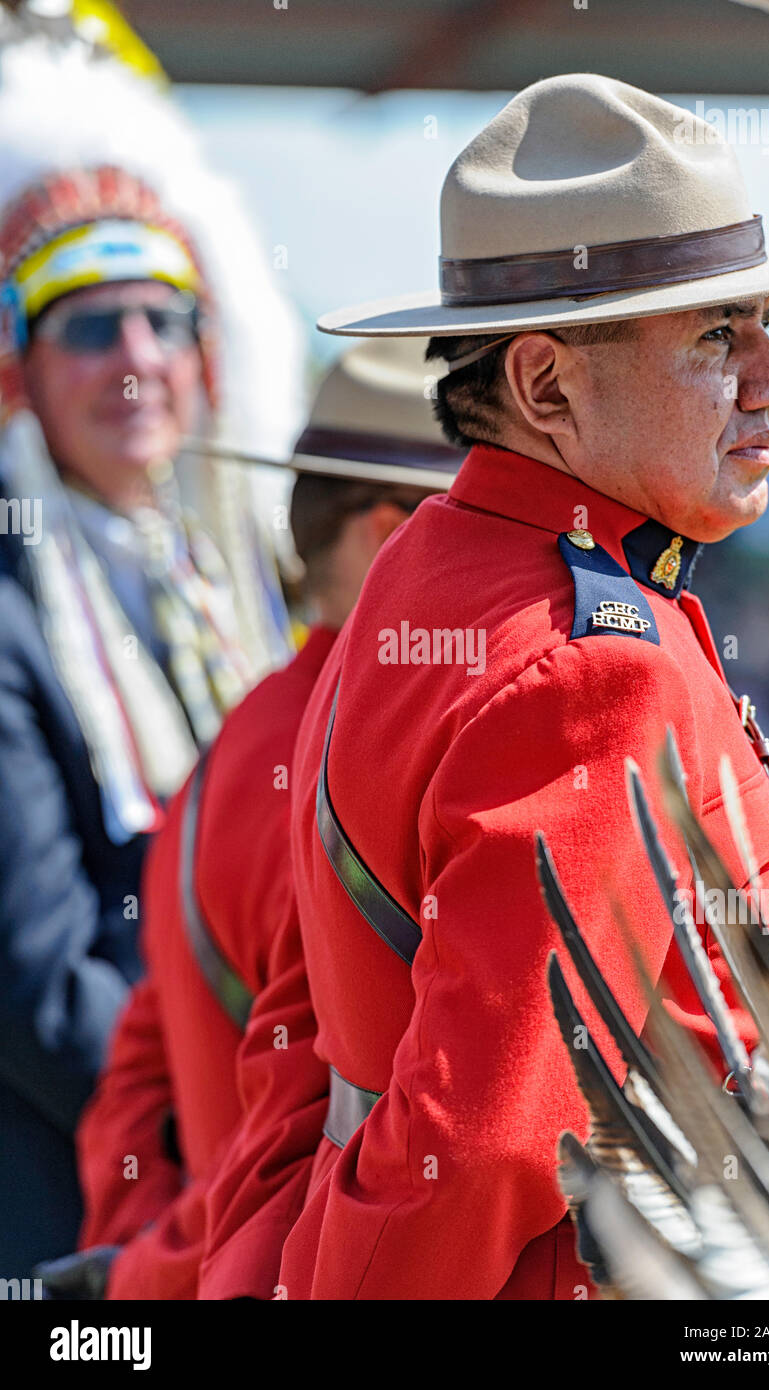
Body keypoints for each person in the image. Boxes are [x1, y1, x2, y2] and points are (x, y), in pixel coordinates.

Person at [267, 74, 769, 1299]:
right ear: (544, 387)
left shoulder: (433, 573)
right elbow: (475, 1149)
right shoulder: (593, 664)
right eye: (714, 335)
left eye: (763, 323)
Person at [38, 341, 462, 1300]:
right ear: (392, 533)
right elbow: (312, 1143)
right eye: (482, 524)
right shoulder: (348, 765)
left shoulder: (243, 743)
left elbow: (130, 1104)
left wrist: (128, 1273)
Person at [0, 165, 288, 1273]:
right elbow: (37, 985)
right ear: (20, 371)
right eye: (86, 329)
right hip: (75, 1199)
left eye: (162, 321)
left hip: (223, 1166)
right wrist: (238, 1110)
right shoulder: (14, 607)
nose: (134, 358)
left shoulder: (231, 582)